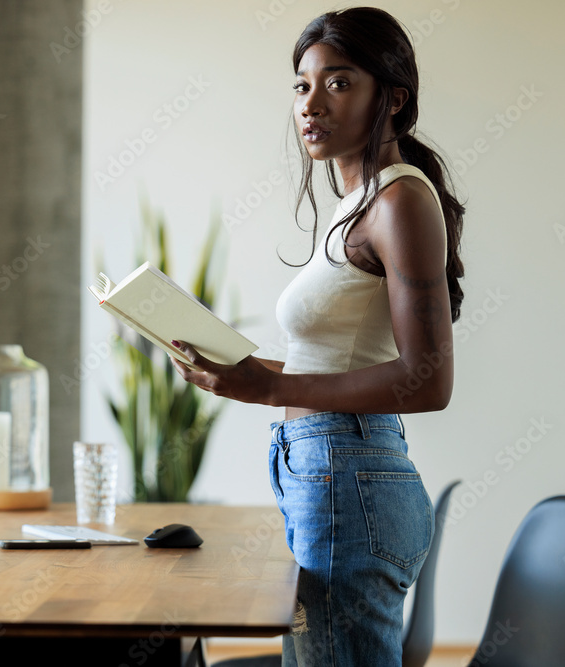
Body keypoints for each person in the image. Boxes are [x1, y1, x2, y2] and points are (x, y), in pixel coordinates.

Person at [170, 7, 465, 666]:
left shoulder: (399, 201)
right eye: (302, 85)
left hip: (348, 477)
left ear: (392, 97)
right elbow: (338, 354)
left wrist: (268, 384)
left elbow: (429, 379)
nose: (312, 103)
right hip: (325, 470)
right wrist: (238, 369)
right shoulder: (358, 205)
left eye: (338, 83)